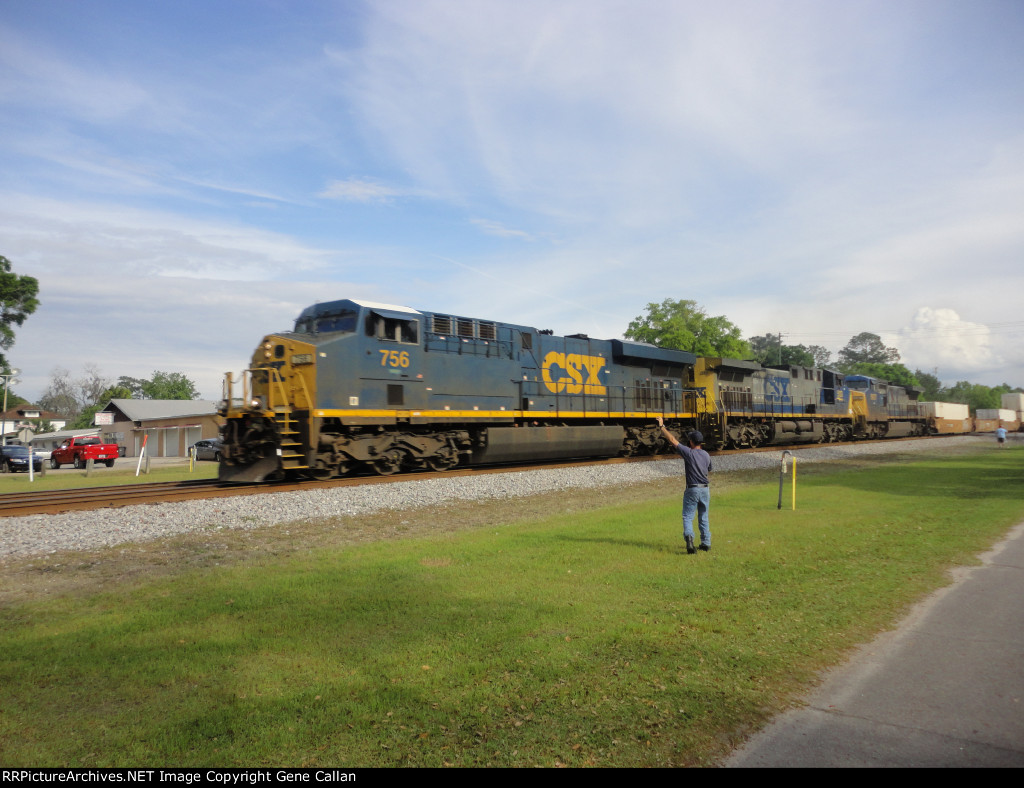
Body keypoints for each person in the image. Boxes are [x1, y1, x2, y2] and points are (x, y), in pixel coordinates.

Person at [657, 416, 712, 554]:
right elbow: (709, 469)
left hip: (692, 489)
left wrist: (662, 426)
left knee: (687, 516)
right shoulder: (706, 455)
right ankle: (706, 543)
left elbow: (672, 440)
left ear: (691, 442)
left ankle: (689, 540)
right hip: (705, 489)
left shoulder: (689, 453)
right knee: (703, 516)